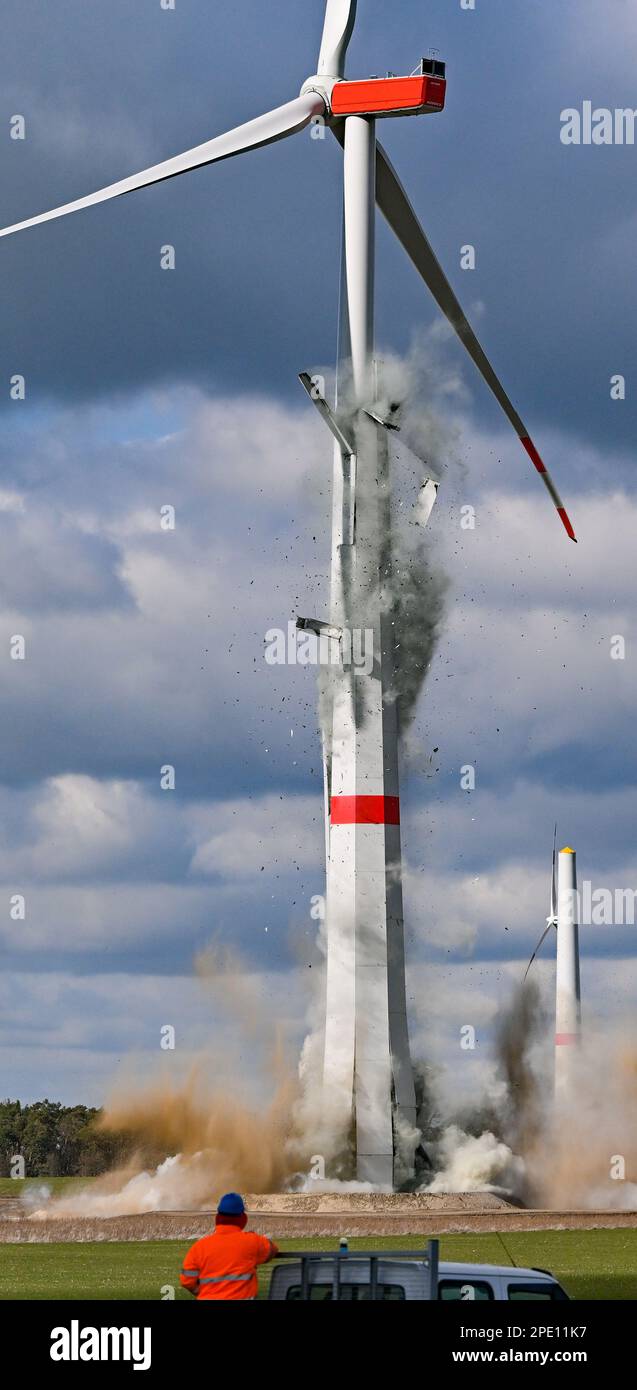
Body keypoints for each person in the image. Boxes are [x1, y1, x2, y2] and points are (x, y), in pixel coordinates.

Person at [180, 1192, 279, 1301]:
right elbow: (272, 1250)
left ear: (218, 1218)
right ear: (242, 1218)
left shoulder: (199, 1247)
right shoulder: (252, 1241)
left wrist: (202, 1292)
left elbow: (187, 1281)